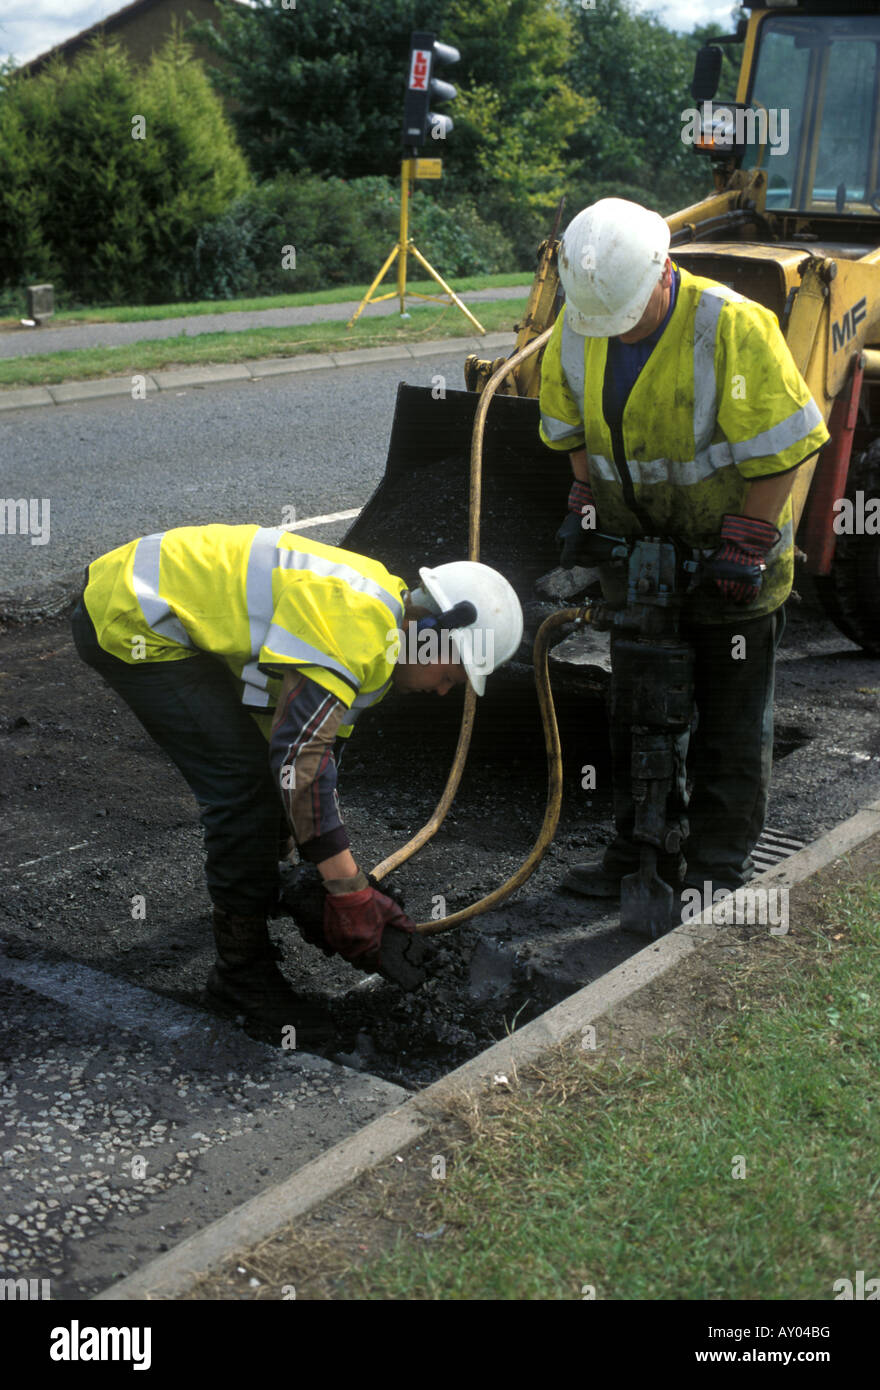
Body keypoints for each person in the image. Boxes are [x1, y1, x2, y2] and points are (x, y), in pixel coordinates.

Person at [71, 522, 523, 1038]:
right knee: (238, 791)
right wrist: (348, 892)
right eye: (451, 675)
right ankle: (240, 976)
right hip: (132, 612)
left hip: (154, 601)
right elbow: (298, 758)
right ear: (433, 633)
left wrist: (305, 869)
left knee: (258, 792)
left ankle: (256, 893)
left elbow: (303, 759)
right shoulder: (357, 622)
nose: (445, 691)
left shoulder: (376, 645)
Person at [538, 197, 830, 926]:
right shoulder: (577, 325)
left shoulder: (730, 327)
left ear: (665, 273)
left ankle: (718, 866)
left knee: (731, 723)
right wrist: (585, 498)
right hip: (634, 559)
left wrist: (745, 545)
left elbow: (785, 447)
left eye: (628, 315)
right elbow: (569, 424)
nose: (615, 328)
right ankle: (639, 849)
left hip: (727, 561)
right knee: (638, 709)